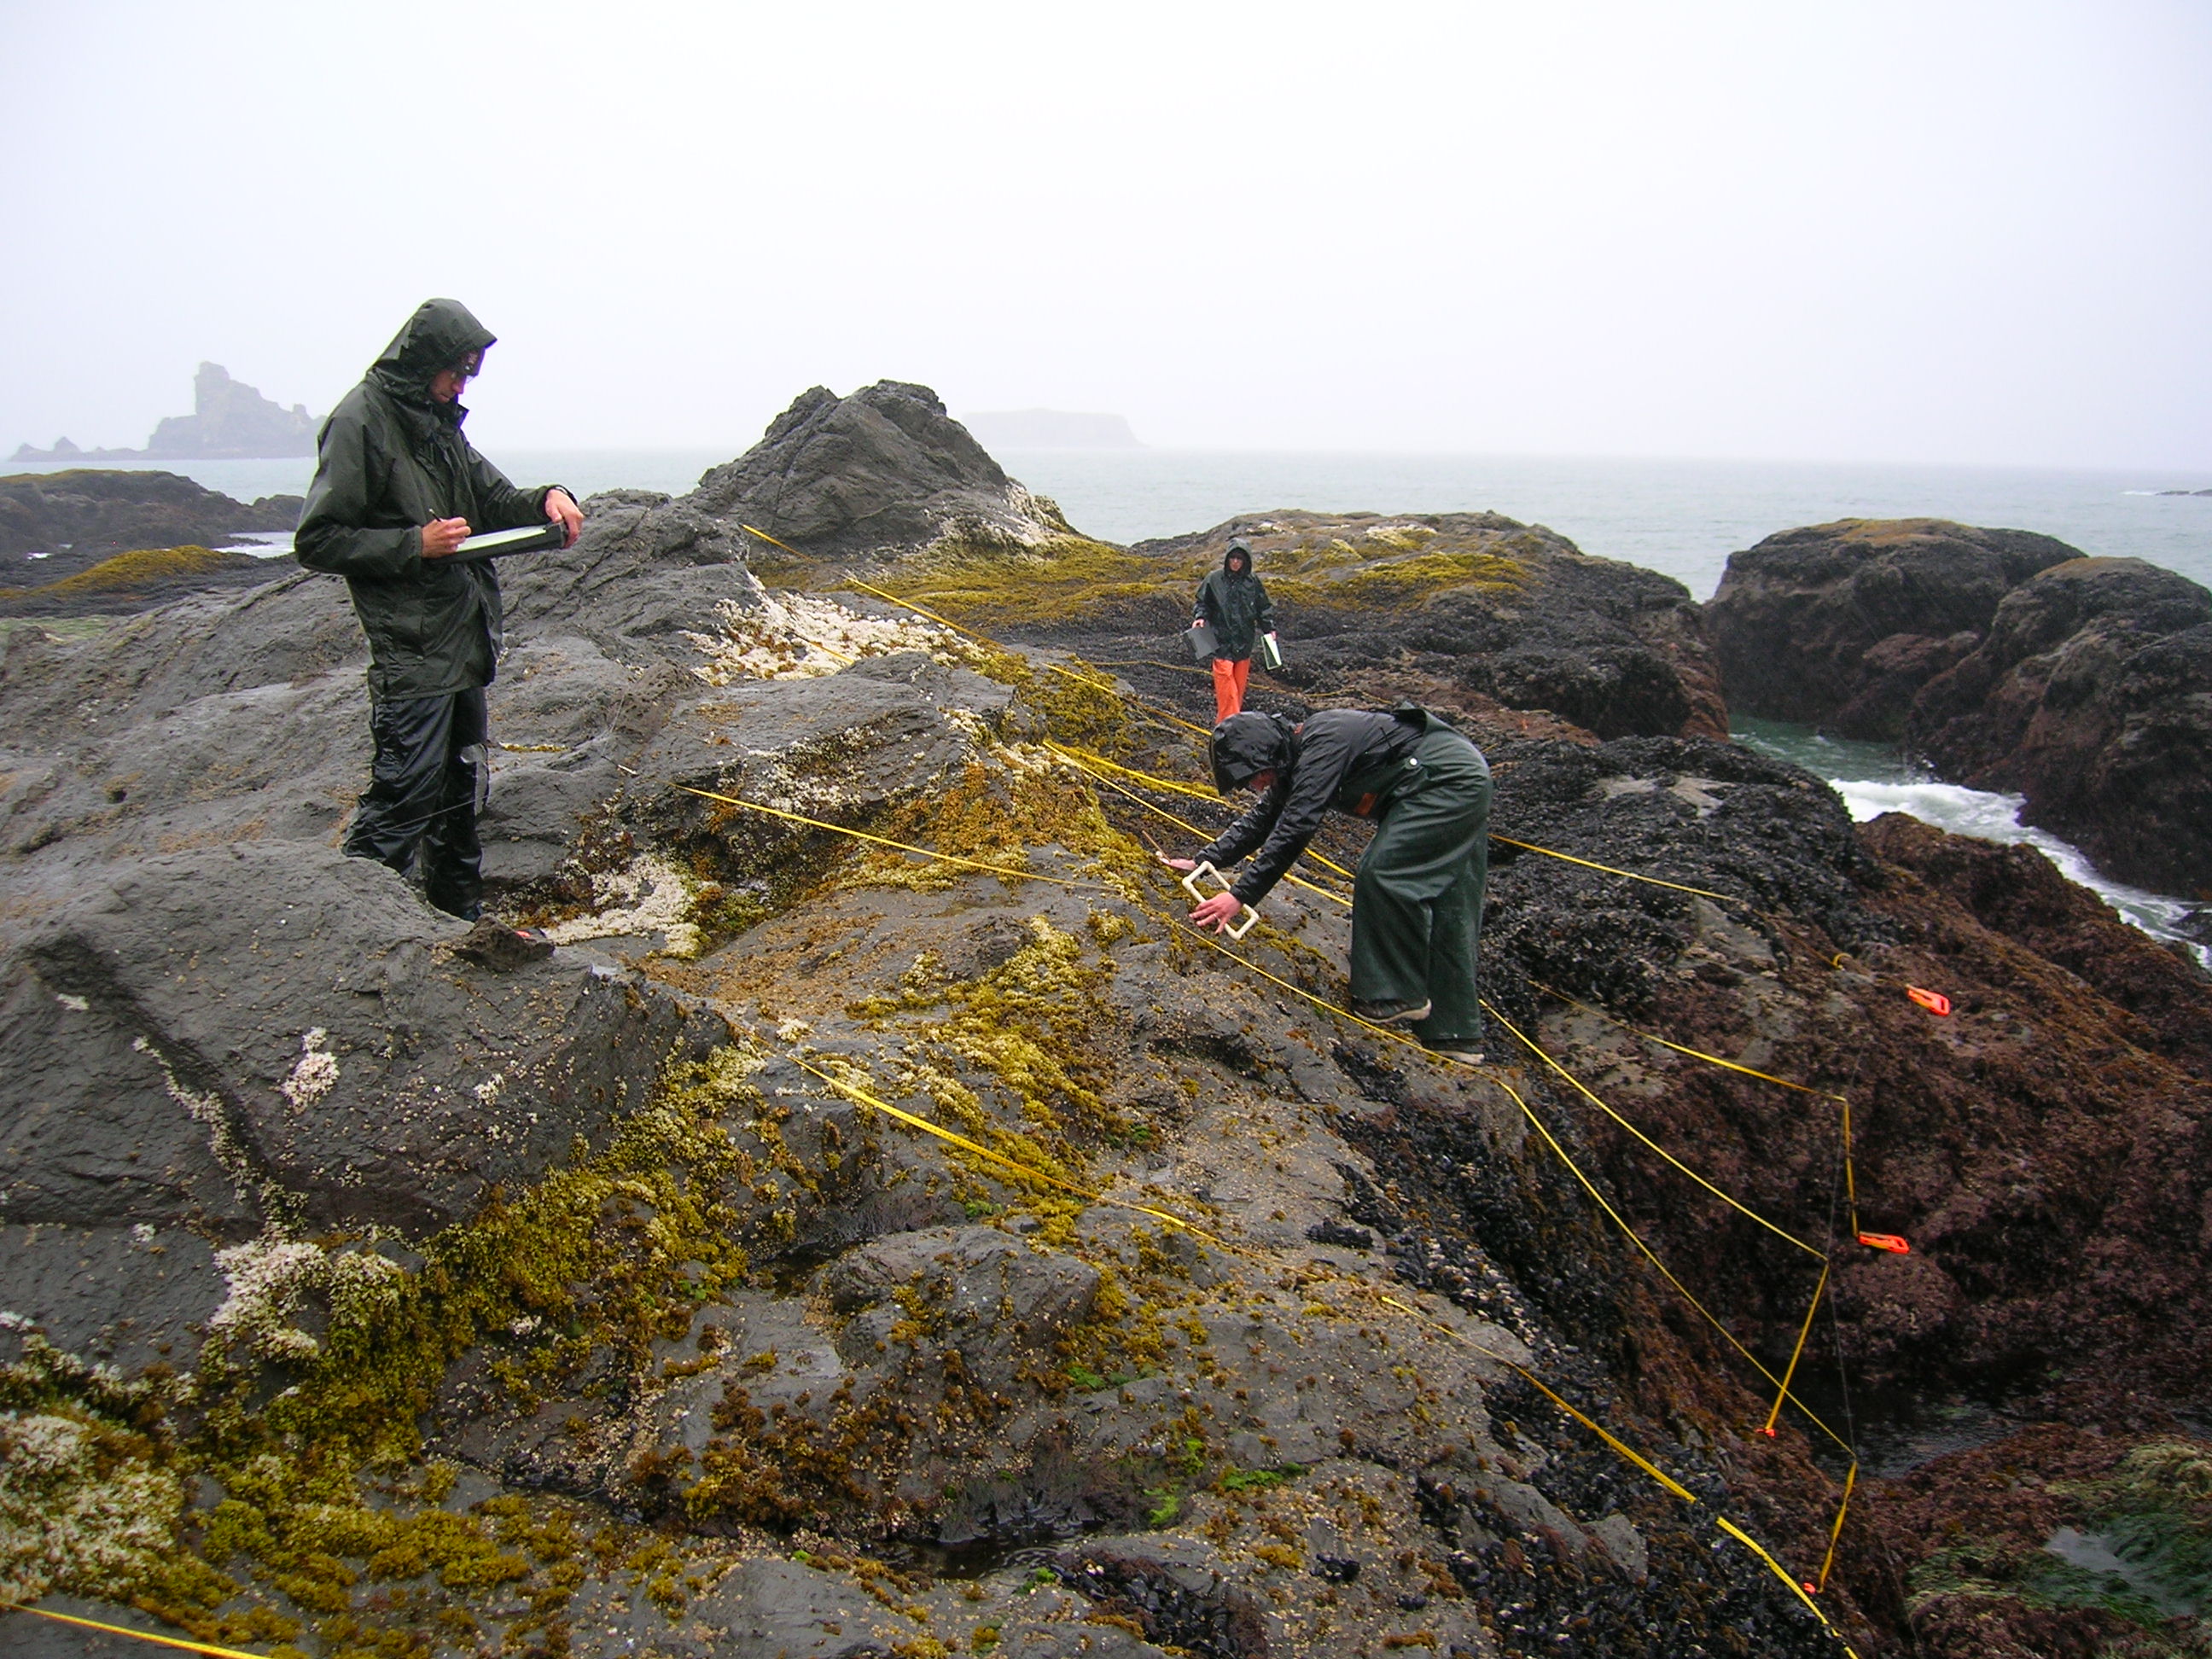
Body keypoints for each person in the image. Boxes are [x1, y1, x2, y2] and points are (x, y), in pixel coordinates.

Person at [294, 298, 582, 922]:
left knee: (460, 790)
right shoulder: (360, 420)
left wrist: (548, 499)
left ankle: (459, 923)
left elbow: (493, 497)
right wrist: (414, 545)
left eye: (470, 374)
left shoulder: (438, 421)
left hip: (464, 638)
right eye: (456, 372)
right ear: (425, 361)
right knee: (404, 794)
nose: (462, 385)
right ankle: (359, 931)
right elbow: (317, 540)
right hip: (413, 647)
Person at [1161, 706, 1491, 1057]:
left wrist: (1240, 895)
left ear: (1269, 753)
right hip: (1447, 778)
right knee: (1450, 903)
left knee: (1383, 873)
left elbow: (1297, 826)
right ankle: (1455, 1034)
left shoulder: (1322, 743)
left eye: (1254, 776)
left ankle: (1394, 995)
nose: (1255, 786)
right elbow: (1263, 820)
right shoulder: (1296, 759)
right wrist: (1203, 861)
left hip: (1446, 779)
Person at [1193, 536, 1276, 724]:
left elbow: (1263, 607)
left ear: (1246, 561)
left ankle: (1225, 725)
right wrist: (1200, 617)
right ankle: (1233, 726)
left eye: (1240, 559)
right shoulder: (1214, 579)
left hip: (1244, 642)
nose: (1236, 562)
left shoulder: (1253, 582)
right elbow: (1202, 602)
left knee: (1237, 690)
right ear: (1227, 558)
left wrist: (1269, 628)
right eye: (1233, 558)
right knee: (1227, 688)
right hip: (1220, 641)